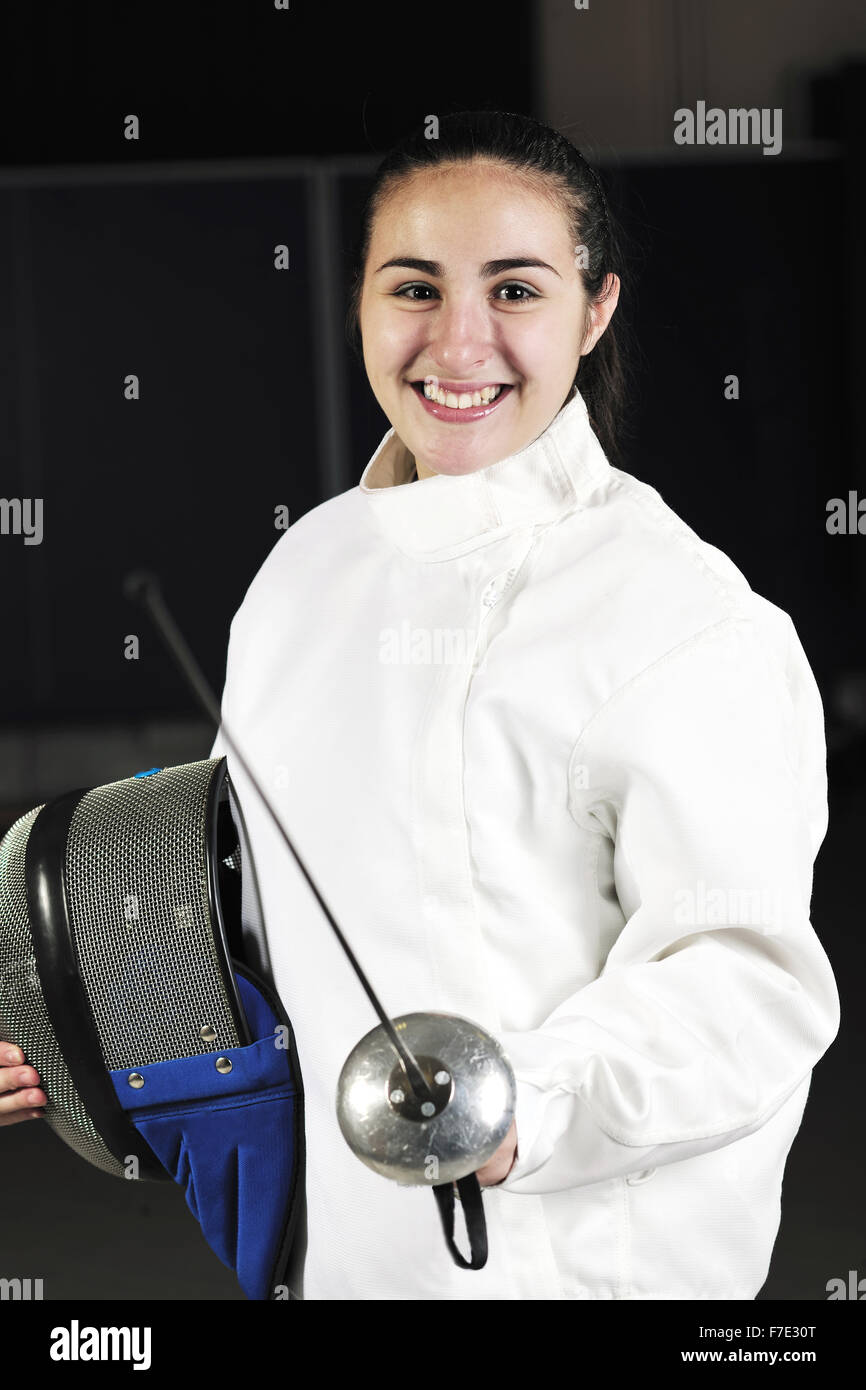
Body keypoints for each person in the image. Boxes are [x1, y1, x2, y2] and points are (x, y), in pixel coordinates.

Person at [1, 109, 840, 1300]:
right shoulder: (304, 575)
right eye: (413, 287)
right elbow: (232, 893)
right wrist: (57, 1014)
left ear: (592, 310)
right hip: (341, 1256)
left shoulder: (687, 617)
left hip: (572, 1265)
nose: (457, 342)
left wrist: (519, 1110)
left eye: (513, 290)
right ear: (358, 304)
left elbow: (744, 983)